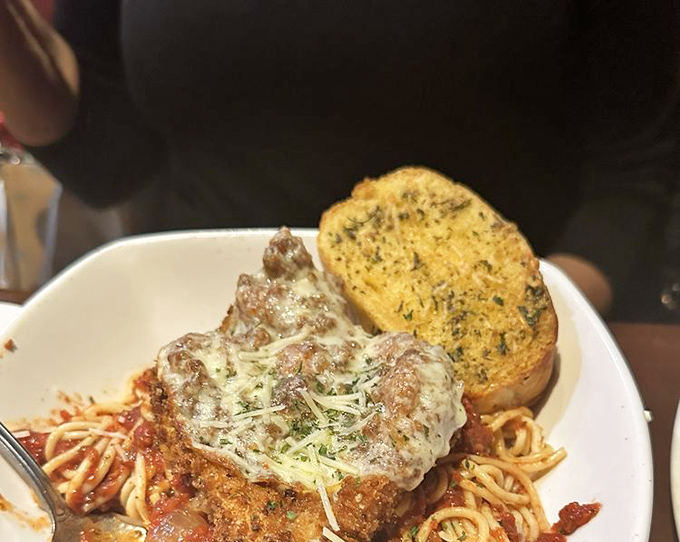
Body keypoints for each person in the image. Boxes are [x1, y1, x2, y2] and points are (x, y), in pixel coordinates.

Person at [0, 0, 677, 317]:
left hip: (494, 323)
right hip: (202, 318)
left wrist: (541, 327)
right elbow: (114, 161)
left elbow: (637, 169)